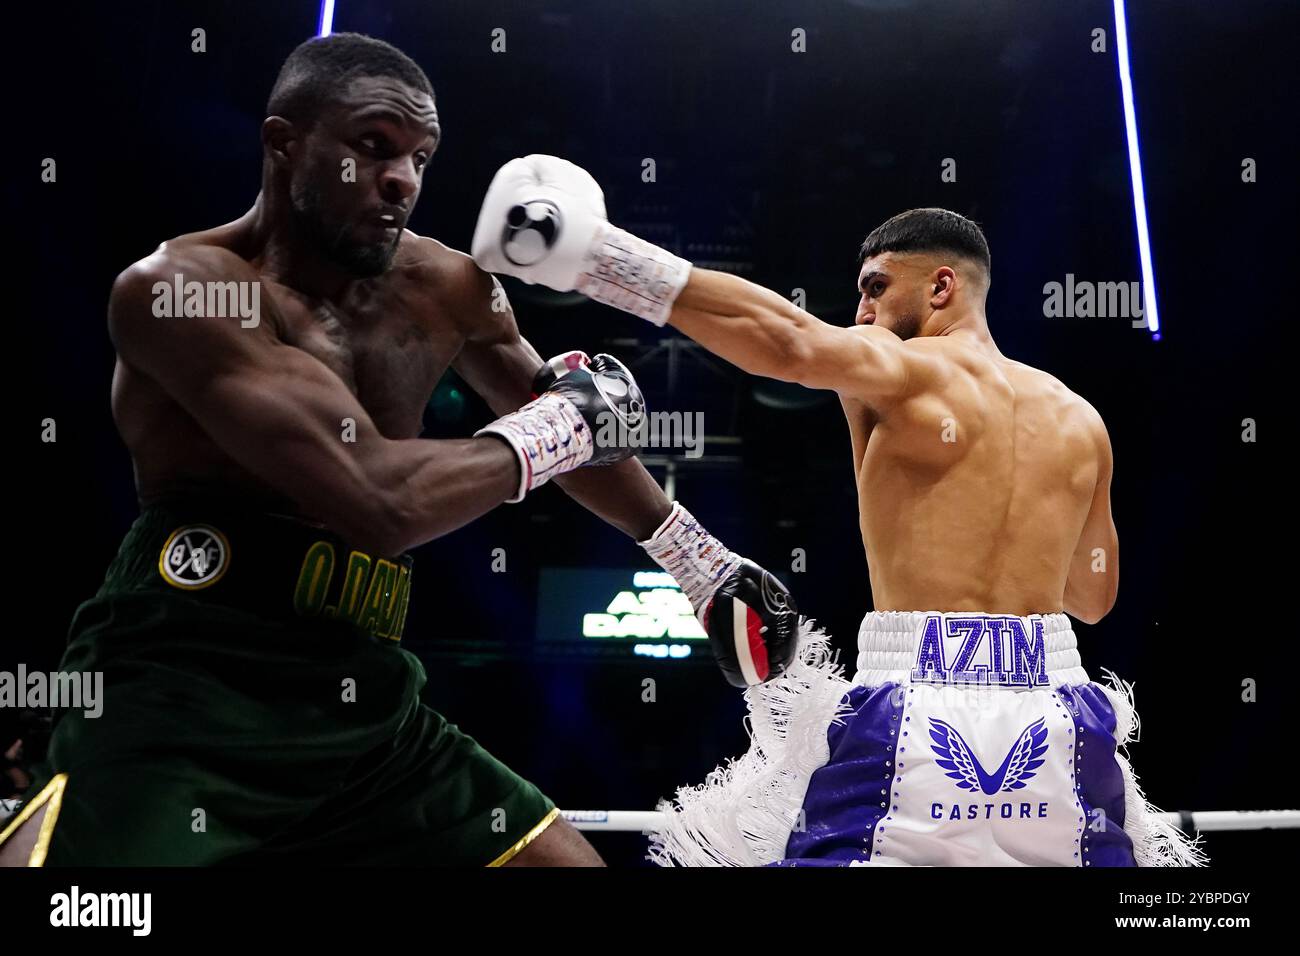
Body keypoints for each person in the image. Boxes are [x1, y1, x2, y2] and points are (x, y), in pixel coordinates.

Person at [0, 35, 798, 868]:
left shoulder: (446, 288)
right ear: (283, 143)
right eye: (373, 148)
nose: (403, 180)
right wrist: (561, 428)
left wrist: (699, 562)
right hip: (185, 683)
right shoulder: (179, 290)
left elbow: (560, 416)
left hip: (364, 695)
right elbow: (379, 501)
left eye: (421, 156)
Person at [470, 156, 1207, 866]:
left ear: (943, 286)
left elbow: (786, 340)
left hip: (921, 707)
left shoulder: (910, 369)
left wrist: (594, 254)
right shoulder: (1081, 420)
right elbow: (1092, 597)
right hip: (1060, 717)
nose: (862, 312)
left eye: (877, 287)